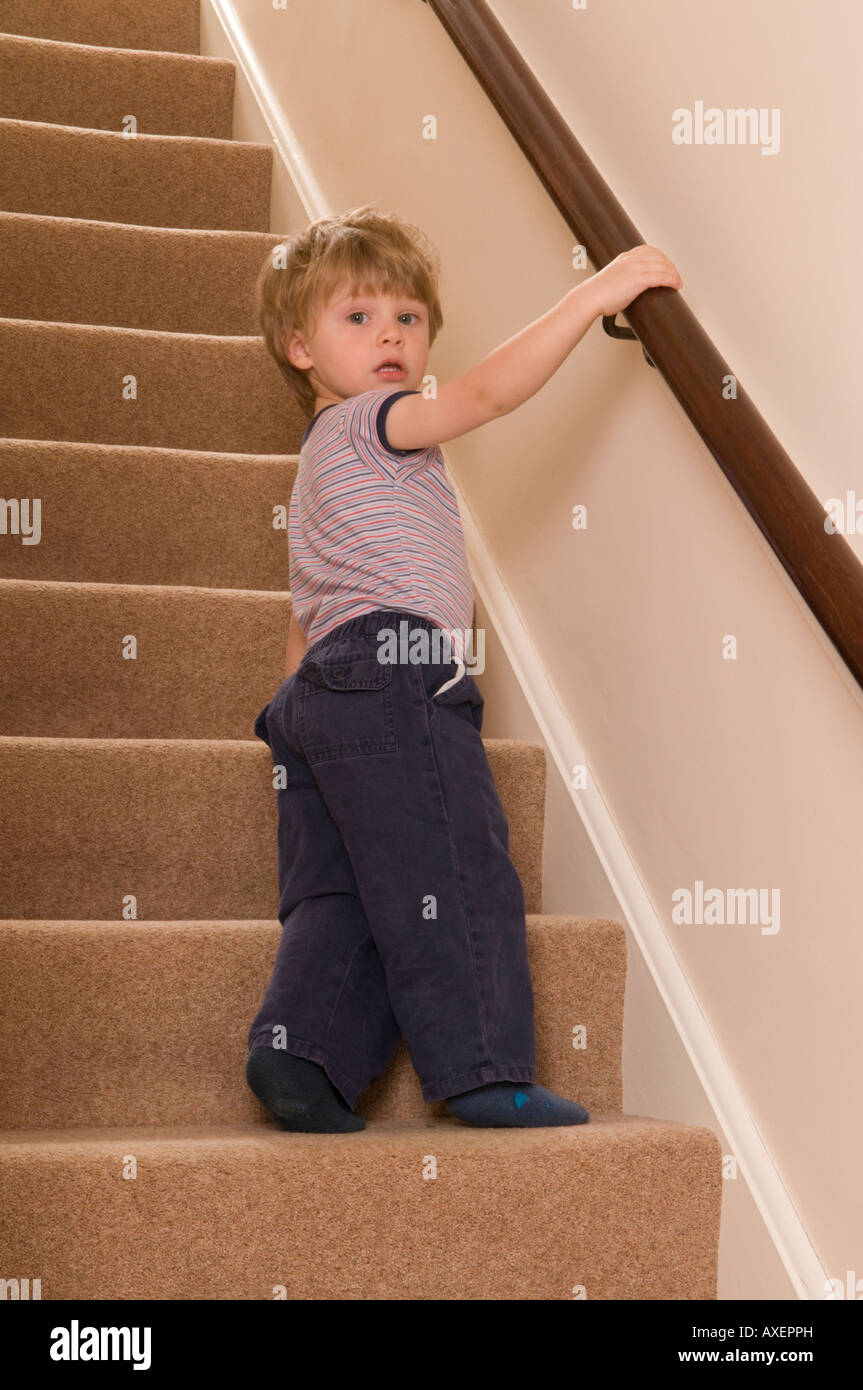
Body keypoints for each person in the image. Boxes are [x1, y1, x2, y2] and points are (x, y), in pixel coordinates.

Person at [247, 205, 682, 1132]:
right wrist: (595, 295)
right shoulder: (379, 421)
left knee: (346, 887)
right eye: (357, 319)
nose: (391, 336)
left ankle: (302, 1056)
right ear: (298, 349)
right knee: (452, 859)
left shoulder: (318, 460)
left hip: (316, 695)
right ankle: (483, 1067)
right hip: (396, 670)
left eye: (407, 317)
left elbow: (304, 607)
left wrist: (289, 715)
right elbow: (482, 396)